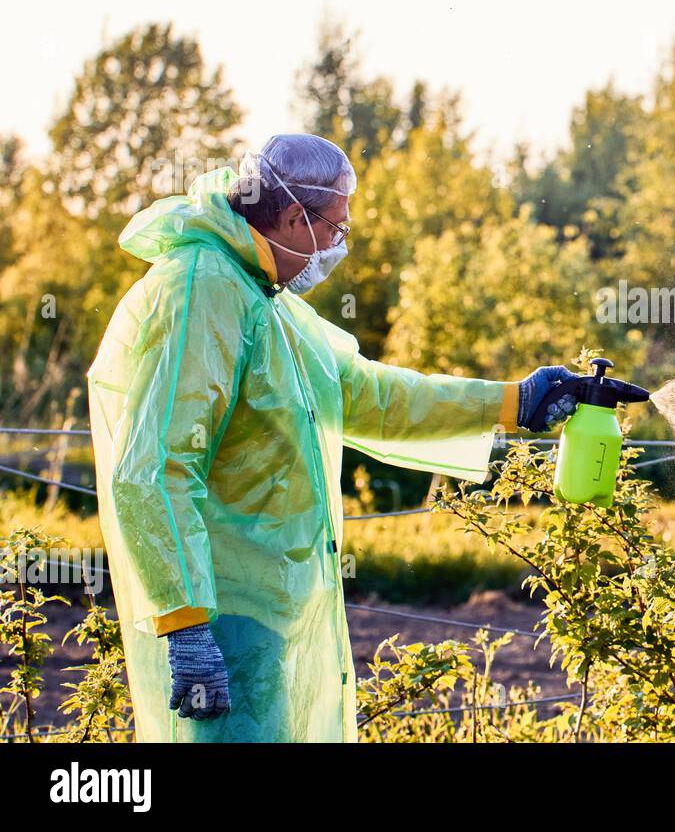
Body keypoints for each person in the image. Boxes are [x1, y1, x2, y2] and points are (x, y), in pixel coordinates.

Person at [87, 133, 578, 742]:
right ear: (295, 216)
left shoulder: (267, 300)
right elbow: (155, 466)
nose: (337, 247)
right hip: (224, 613)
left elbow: (375, 396)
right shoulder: (204, 290)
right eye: (336, 229)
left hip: (273, 607)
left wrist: (515, 401)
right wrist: (186, 625)